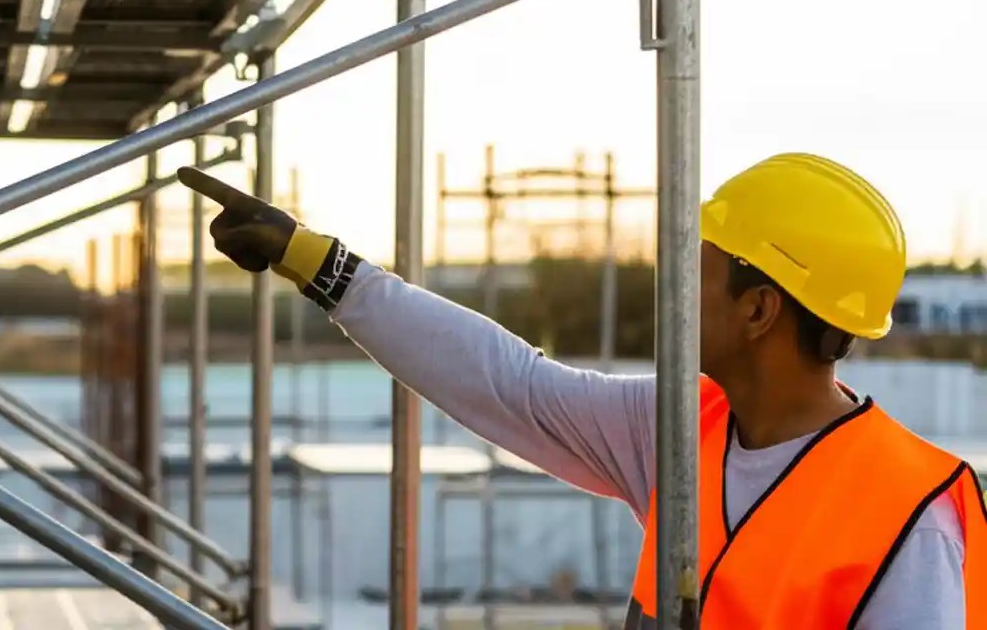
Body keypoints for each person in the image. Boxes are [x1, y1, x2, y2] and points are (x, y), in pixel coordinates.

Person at [178, 152, 985, 629]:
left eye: (697, 272)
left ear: (759, 310)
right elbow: (507, 384)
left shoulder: (907, 519)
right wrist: (319, 263)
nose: (675, 287)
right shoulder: (681, 431)